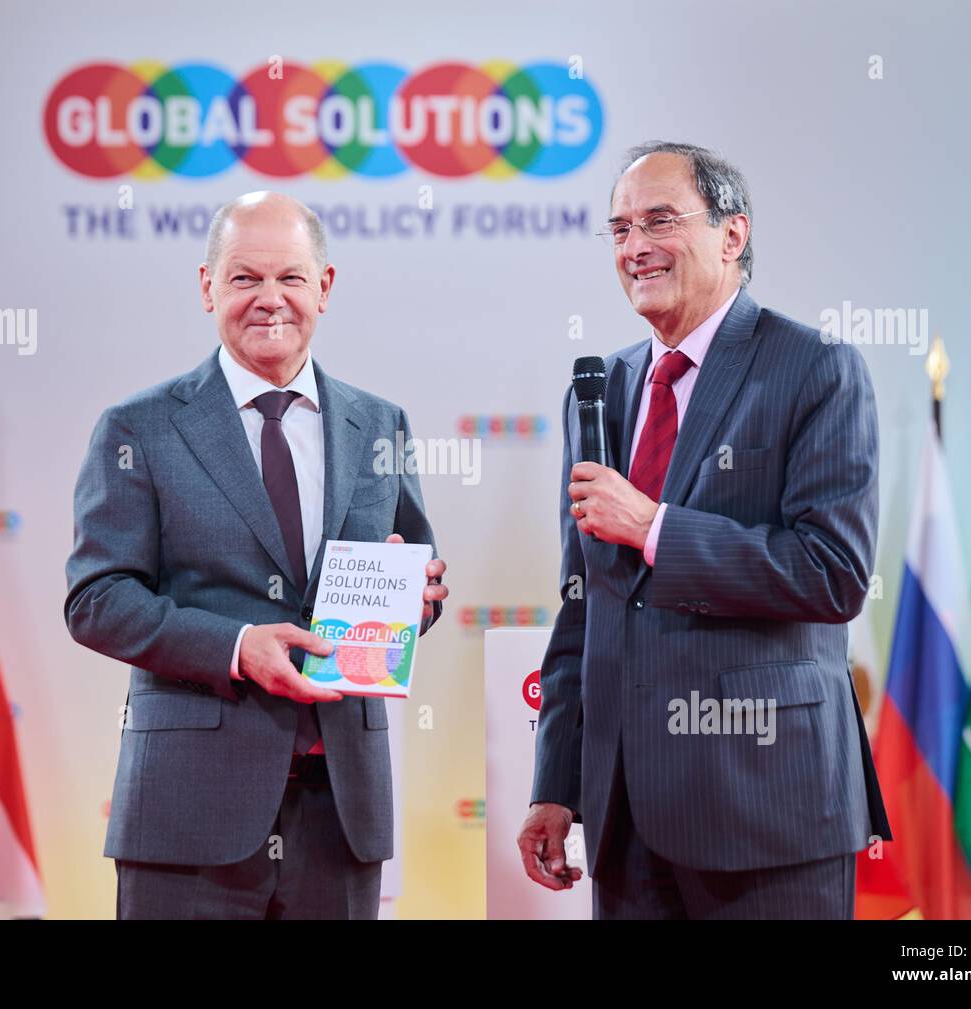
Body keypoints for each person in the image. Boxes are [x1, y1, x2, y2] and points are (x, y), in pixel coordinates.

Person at [519, 142, 890, 919]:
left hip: (767, 810)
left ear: (732, 235)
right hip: (624, 820)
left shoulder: (815, 368)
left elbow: (833, 573)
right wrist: (556, 784)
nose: (635, 248)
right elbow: (584, 603)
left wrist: (656, 527)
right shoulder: (601, 387)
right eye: (619, 230)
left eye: (659, 221)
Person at [66, 191, 447, 919]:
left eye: (291, 278)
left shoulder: (380, 423)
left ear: (325, 288)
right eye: (244, 278)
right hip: (189, 818)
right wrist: (238, 646)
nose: (270, 298)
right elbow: (97, 599)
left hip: (341, 812)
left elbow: (414, 569)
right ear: (207, 286)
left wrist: (417, 597)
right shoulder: (139, 426)